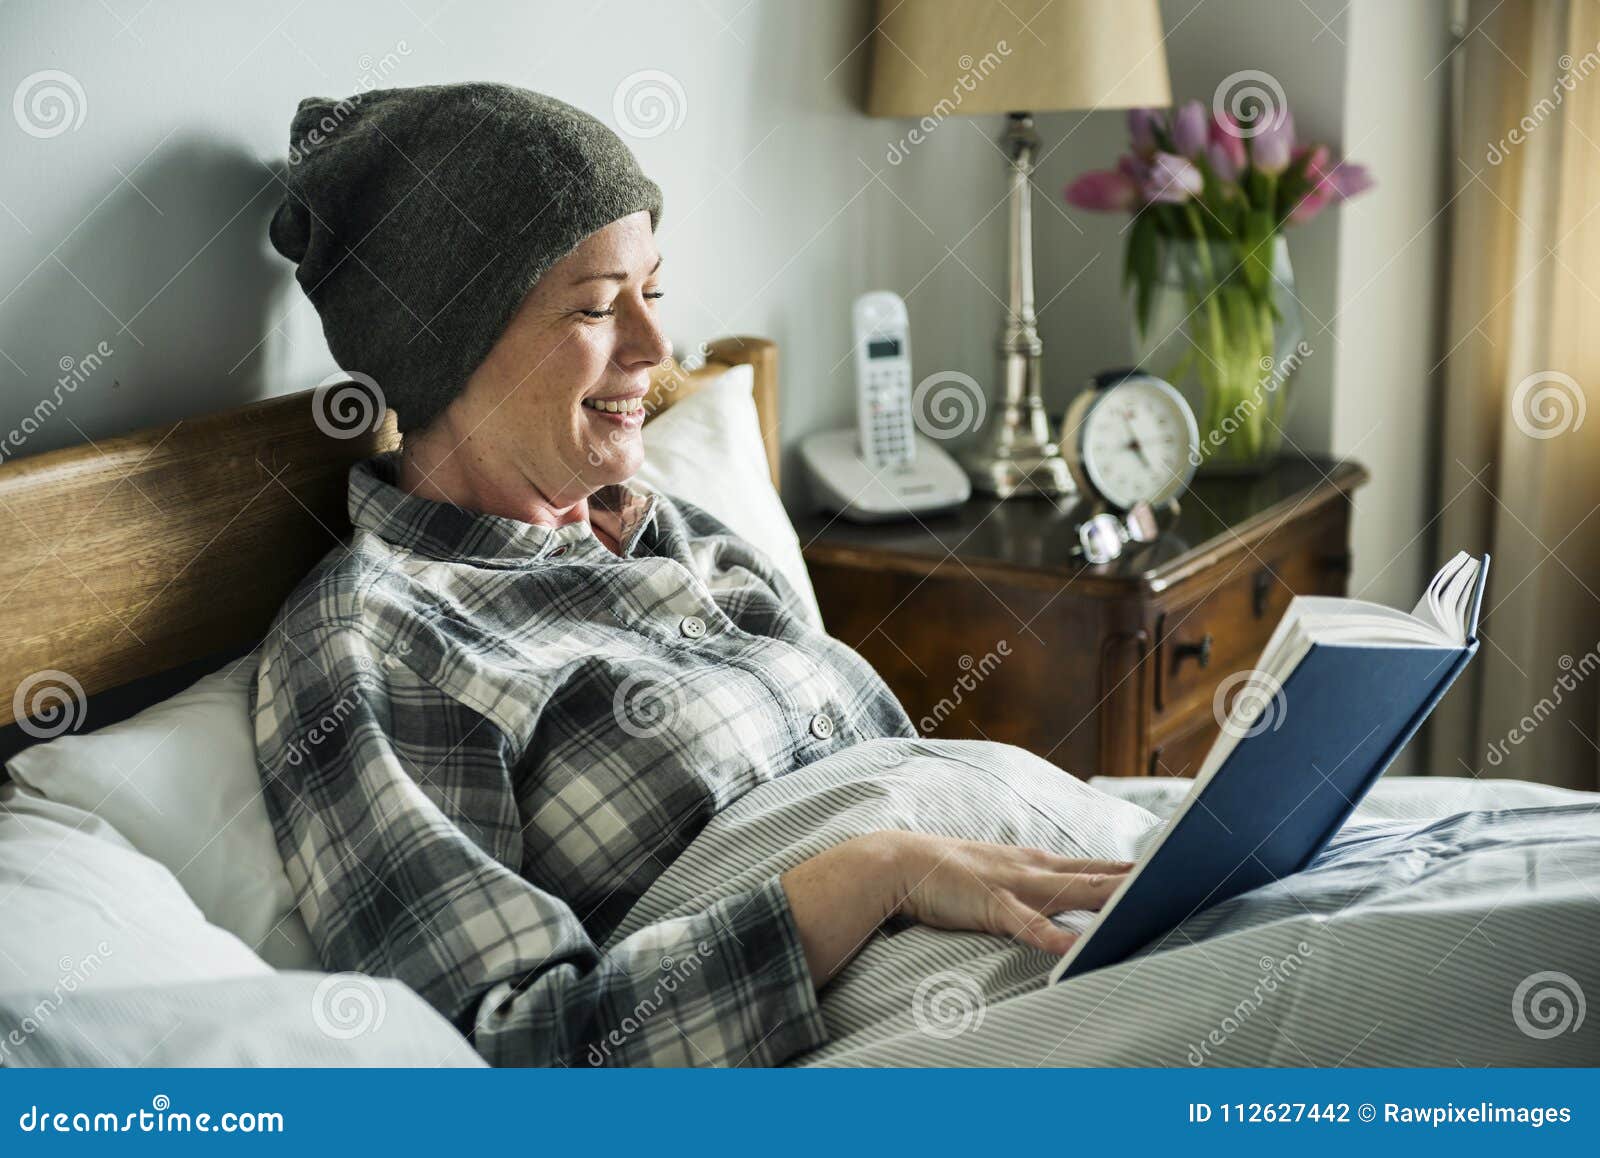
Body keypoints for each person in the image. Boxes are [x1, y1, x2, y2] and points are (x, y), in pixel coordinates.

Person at [256, 81, 1128, 1067]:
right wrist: (872, 875)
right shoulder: (377, 637)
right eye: (593, 307)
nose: (654, 350)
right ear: (442, 352)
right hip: (949, 1020)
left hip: (1076, 892)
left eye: (652, 292)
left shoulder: (677, 532)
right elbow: (513, 1062)